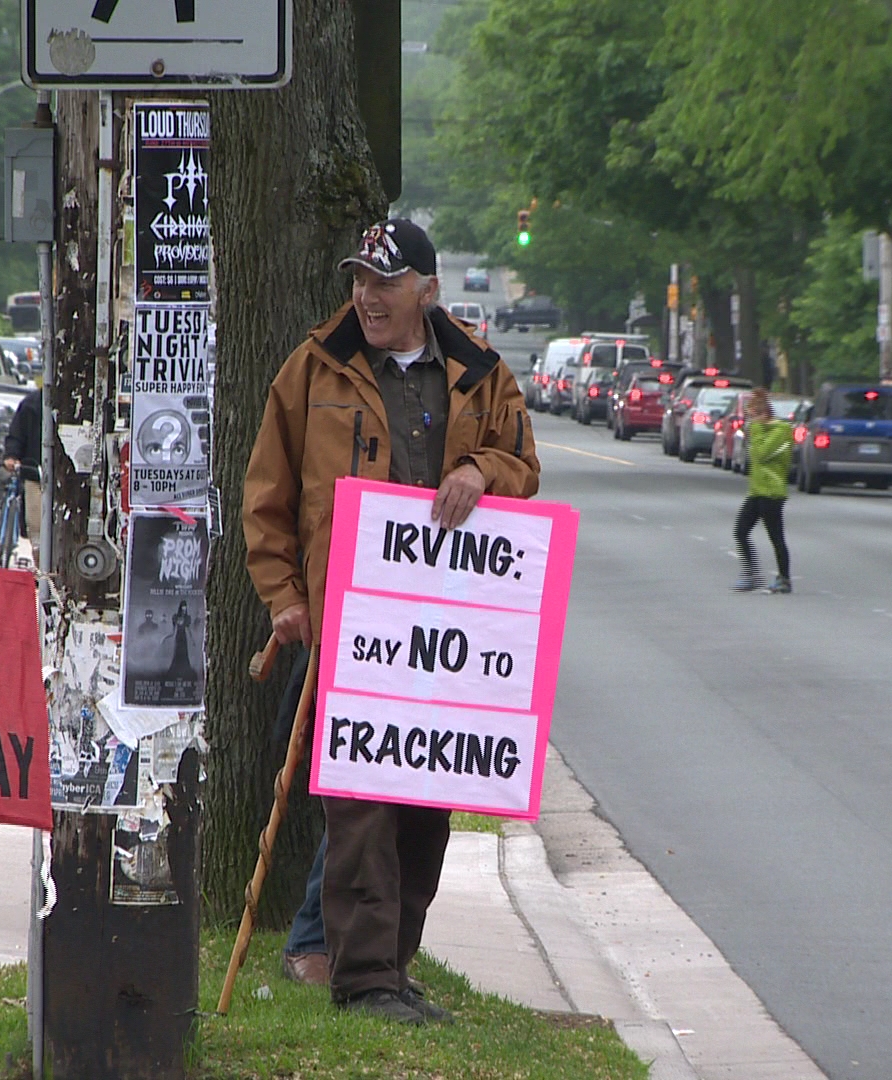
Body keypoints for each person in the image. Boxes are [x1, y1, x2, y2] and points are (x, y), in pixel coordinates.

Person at [243, 217, 541, 1024]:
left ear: (427, 291)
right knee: (362, 801)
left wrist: (481, 469)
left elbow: (525, 466)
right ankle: (363, 979)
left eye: (384, 283)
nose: (367, 298)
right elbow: (266, 498)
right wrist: (286, 600)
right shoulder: (313, 370)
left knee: (425, 803)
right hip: (350, 630)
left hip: (445, 638)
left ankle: (395, 969)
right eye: (360, 282)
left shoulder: (482, 376)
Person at [734, 388, 793, 594]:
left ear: (763, 414)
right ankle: (752, 573)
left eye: (752, 416)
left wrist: (756, 431)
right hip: (758, 490)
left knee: (776, 536)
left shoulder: (781, 432)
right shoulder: (762, 431)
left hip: (772, 492)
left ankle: (784, 578)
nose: (750, 423)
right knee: (741, 531)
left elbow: (761, 455)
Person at [0, 388, 43, 544]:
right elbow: (16, 434)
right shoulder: (31, 404)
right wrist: (11, 456)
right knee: (35, 523)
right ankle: (39, 556)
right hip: (34, 472)